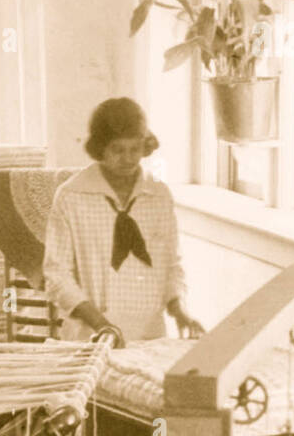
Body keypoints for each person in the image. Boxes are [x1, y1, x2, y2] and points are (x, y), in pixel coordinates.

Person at [44, 96, 203, 348]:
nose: (129, 159)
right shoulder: (71, 196)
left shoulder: (158, 195)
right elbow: (57, 275)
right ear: (99, 149)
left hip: (151, 338)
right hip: (90, 337)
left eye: (136, 149)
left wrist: (179, 311)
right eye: (118, 150)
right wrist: (102, 325)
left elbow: (172, 266)